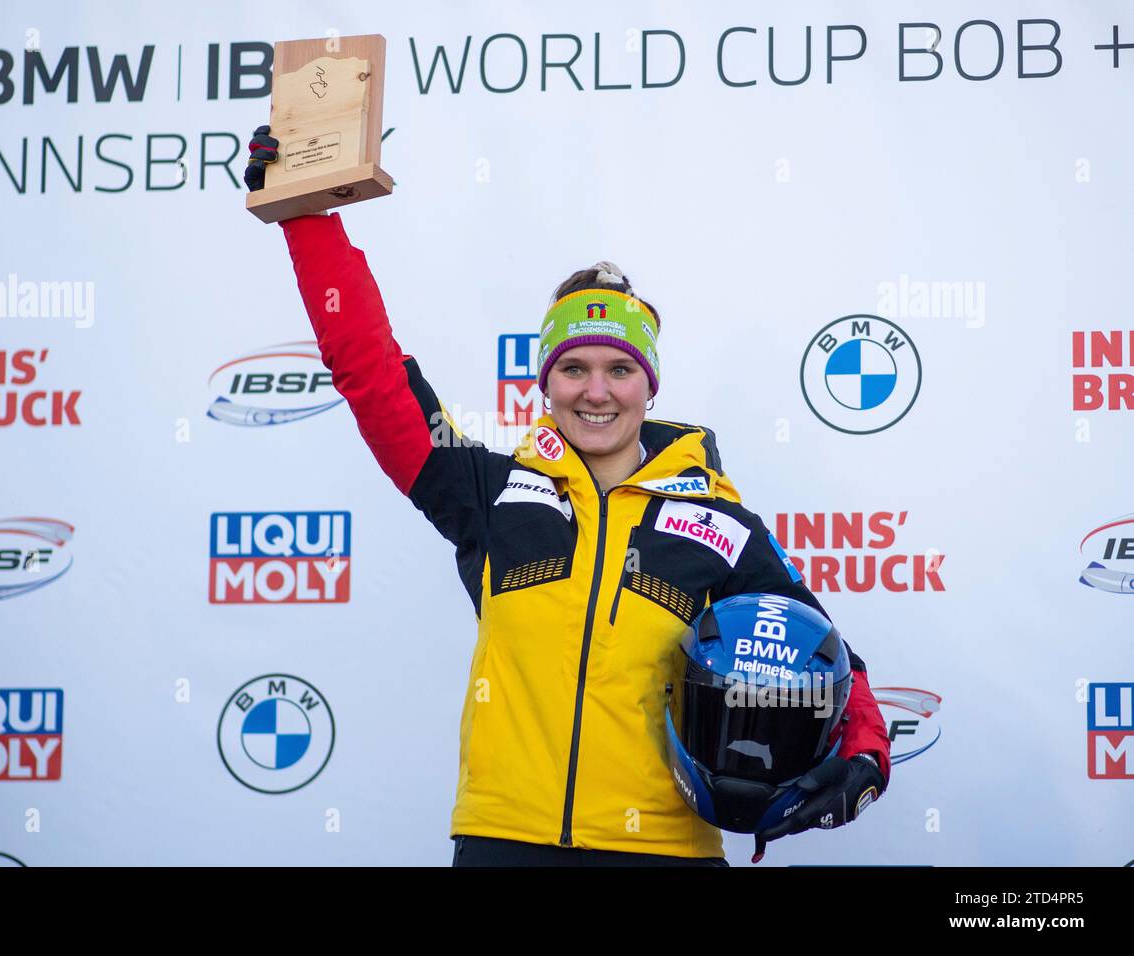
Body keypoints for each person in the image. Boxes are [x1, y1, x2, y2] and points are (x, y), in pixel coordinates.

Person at [245, 127, 891, 866]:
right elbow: (370, 371)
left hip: (663, 850)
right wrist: (306, 217)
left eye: (619, 369)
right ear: (544, 382)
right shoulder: (486, 492)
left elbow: (831, 655)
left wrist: (866, 758)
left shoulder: (720, 524)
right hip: (504, 841)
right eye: (573, 368)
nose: (595, 391)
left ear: (651, 383)